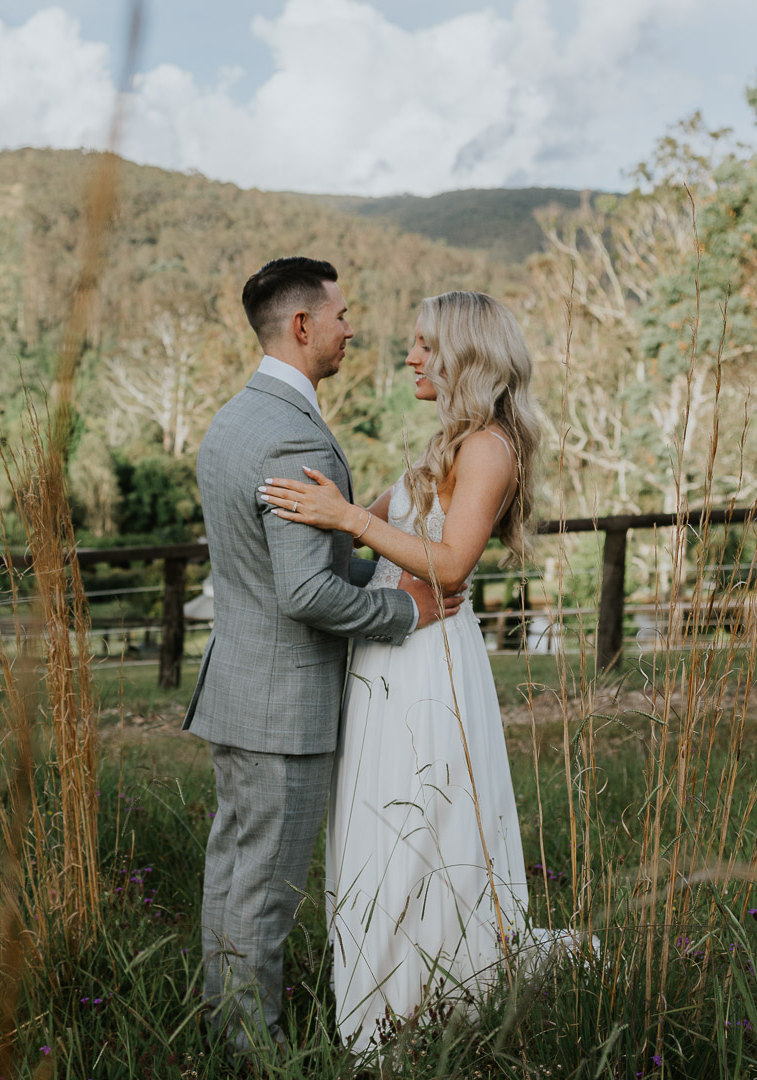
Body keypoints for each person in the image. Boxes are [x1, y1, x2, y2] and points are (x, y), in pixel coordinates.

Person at [183, 257, 462, 1061]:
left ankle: (224, 1036)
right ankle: (254, 1054)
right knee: (263, 895)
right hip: (282, 706)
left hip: (239, 687)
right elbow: (306, 593)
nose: (352, 328)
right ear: (302, 326)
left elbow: (275, 562)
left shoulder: (238, 417)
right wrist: (404, 608)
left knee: (233, 879)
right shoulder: (293, 433)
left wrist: (359, 527)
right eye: (342, 315)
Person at [257, 289, 545, 1046]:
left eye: (423, 344)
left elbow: (450, 565)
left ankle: (422, 1004)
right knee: (377, 822)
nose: (410, 356)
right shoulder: (445, 440)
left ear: (465, 354)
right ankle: (383, 997)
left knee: (421, 824)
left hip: (429, 660)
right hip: (386, 653)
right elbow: (370, 532)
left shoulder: (488, 446)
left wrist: (348, 518)